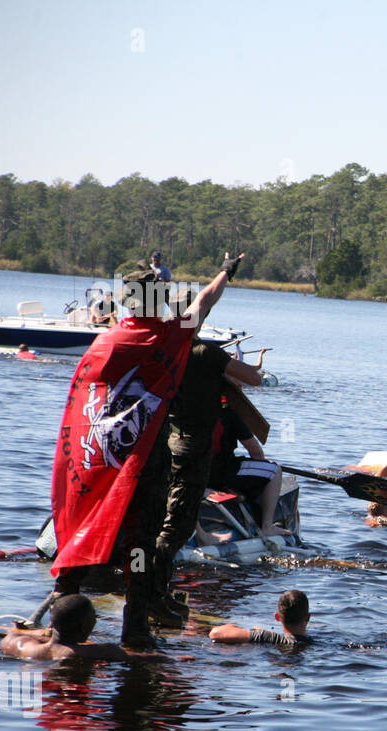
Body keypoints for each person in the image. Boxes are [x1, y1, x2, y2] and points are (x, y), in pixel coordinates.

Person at [42, 255, 244, 646]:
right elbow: (204, 301)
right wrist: (226, 272)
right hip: (141, 462)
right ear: (157, 301)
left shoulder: (107, 341)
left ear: (127, 303)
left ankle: (62, 612)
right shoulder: (167, 335)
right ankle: (135, 626)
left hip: (96, 459)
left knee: (86, 525)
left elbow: (84, 400)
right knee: (141, 544)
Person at [150, 289, 270, 621]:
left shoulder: (157, 349)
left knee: (173, 498)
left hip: (161, 444)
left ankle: (150, 587)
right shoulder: (204, 352)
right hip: (197, 449)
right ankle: (156, 592)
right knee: (179, 517)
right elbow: (254, 380)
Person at [0, 595, 169, 661]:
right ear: (84, 626)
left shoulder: (17, 644)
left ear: (51, 624)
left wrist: (44, 636)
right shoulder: (101, 651)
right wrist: (177, 659)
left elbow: (10, 636)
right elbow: (145, 657)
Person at [207, 401, 289, 539]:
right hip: (221, 473)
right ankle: (267, 526)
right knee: (273, 470)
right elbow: (255, 452)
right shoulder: (229, 413)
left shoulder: (188, 408)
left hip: (193, 472)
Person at [210, 590, 311, 645]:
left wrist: (261, 634)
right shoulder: (311, 644)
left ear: (277, 617)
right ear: (308, 618)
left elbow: (215, 633)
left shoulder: (268, 637)